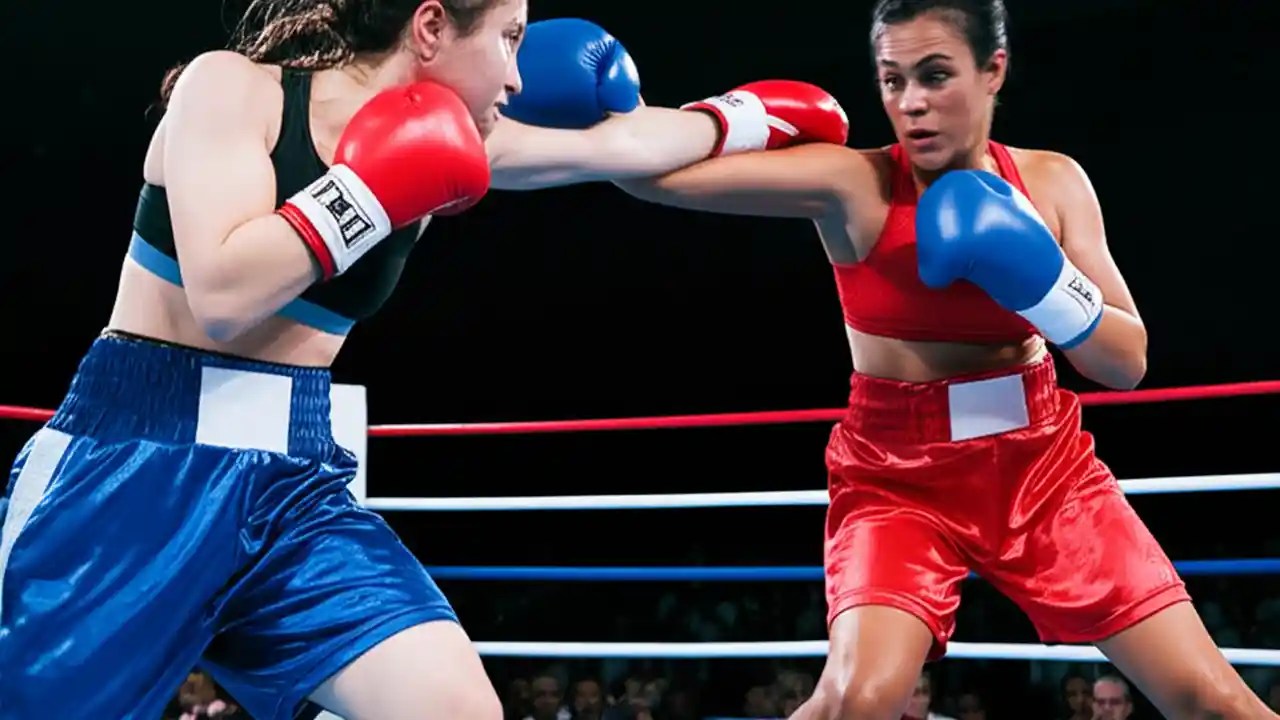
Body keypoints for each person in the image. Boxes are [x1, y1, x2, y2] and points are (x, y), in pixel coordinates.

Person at [0, 1, 849, 718]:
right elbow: (223, 294)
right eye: (508, 39)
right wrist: (370, 189)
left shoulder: (468, 142)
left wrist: (749, 117)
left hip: (292, 487)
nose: (518, 77)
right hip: (131, 469)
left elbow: (622, 148)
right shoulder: (233, 88)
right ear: (432, 28)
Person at [616, 0, 1276, 718]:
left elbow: (1127, 362)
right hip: (897, 473)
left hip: (1041, 466)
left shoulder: (1053, 182)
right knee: (858, 700)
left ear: (993, 70)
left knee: (1212, 701)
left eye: (934, 76)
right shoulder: (854, 182)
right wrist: (727, 120)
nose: (911, 103)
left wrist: (1045, 283)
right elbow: (649, 178)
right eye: (892, 80)